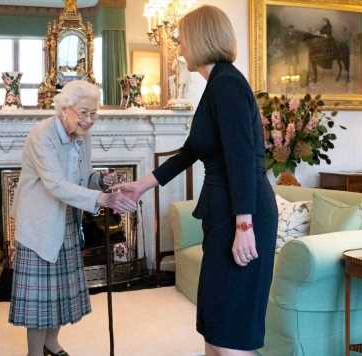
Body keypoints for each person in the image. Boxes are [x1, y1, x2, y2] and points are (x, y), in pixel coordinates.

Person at [114, 5, 278, 356]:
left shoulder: (228, 84)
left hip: (241, 213)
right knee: (216, 326)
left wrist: (244, 225)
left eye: (183, 39)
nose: (180, 47)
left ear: (202, 38)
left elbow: (241, 158)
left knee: (231, 332)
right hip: (225, 213)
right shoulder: (217, 84)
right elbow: (191, 151)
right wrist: (142, 184)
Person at [8, 80, 136, 356]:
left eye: (94, 114)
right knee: (41, 299)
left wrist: (101, 180)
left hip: (66, 219)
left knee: (60, 292)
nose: (89, 121)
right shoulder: (42, 136)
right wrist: (103, 199)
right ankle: (34, 353)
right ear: (65, 109)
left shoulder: (81, 136)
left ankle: (51, 344)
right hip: (39, 222)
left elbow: (81, 179)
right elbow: (55, 184)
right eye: (84, 113)